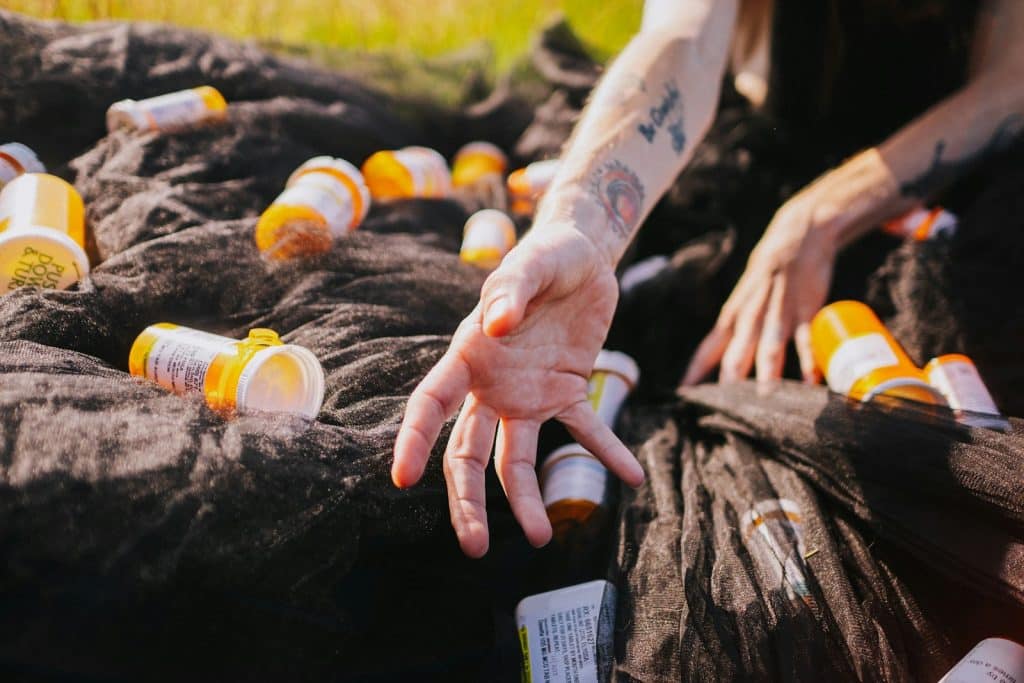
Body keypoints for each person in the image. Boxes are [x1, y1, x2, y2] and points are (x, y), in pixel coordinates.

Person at [392, 0, 1024, 557]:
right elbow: (682, 42)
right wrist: (581, 226)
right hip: (758, 156)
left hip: (965, 188)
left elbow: (1011, 82)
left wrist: (820, 216)